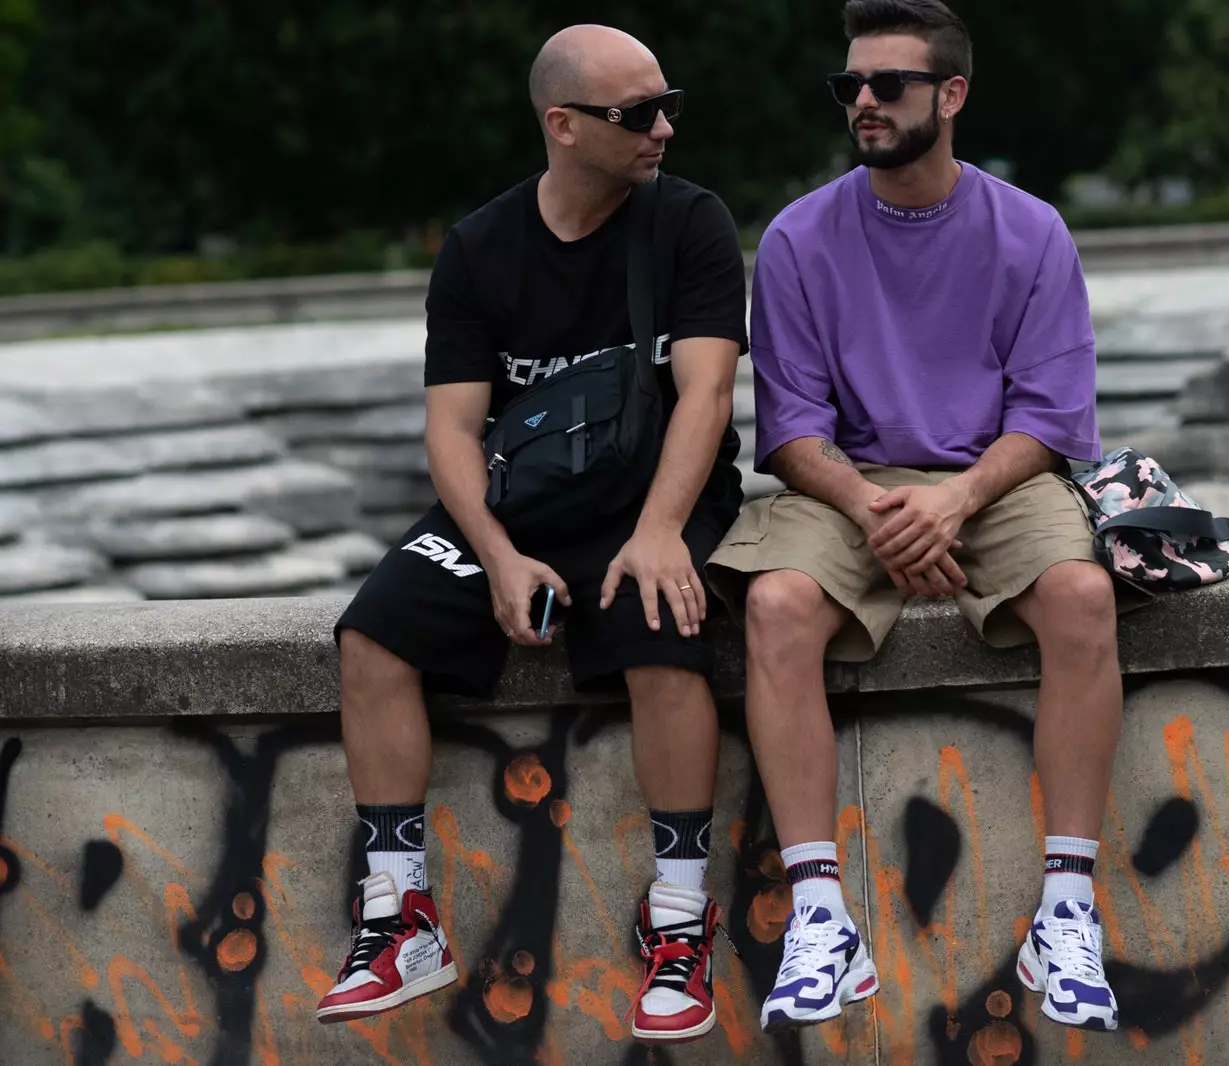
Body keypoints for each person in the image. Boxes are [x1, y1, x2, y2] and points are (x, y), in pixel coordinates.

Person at [706, 0, 1135, 1035]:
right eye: (847, 85)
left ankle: (1066, 906)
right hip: (846, 483)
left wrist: (952, 502)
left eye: (886, 84)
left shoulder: (1030, 230)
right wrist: (877, 507)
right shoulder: (801, 236)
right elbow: (793, 431)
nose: (861, 101)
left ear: (950, 95)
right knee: (775, 609)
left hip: (991, 475)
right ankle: (820, 916)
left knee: (1081, 596)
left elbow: (1049, 419)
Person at [316, 25, 748, 1045]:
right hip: (520, 505)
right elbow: (452, 426)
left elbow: (708, 392)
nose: (663, 127)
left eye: (667, 102)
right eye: (636, 112)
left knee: (659, 624)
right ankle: (400, 914)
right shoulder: (479, 246)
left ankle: (677, 920)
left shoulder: (687, 222)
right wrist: (498, 555)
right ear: (562, 126)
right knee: (372, 635)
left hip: (657, 495)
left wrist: (658, 532)